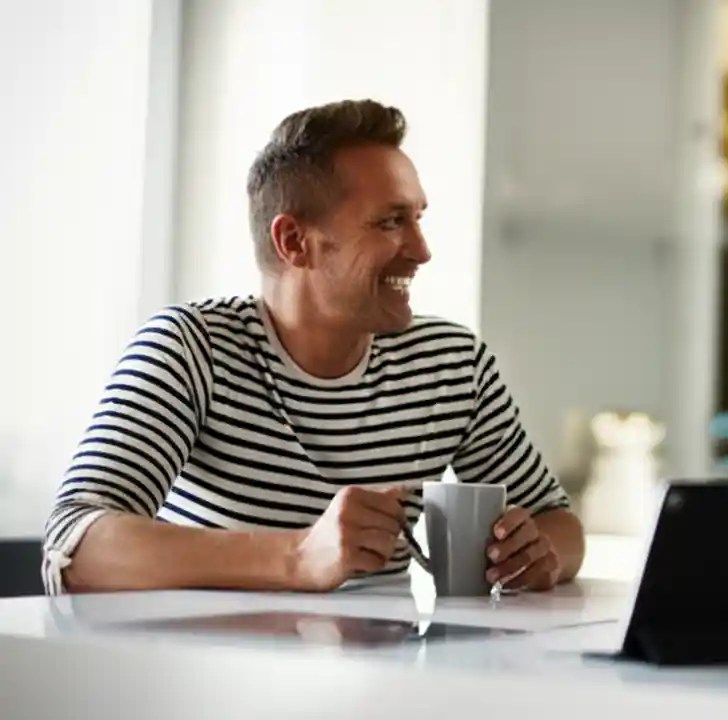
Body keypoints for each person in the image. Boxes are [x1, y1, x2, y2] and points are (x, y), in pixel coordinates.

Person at [43, 99, 584, 596]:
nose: (421, 250)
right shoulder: (190, 348)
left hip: (392, 688)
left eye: (418, 218)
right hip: (211, 685)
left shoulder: (452, 363)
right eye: (391, 221)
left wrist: (540, 555)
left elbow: (558, 522)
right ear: (294, 242)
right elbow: (73, 546)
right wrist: (299, 556)